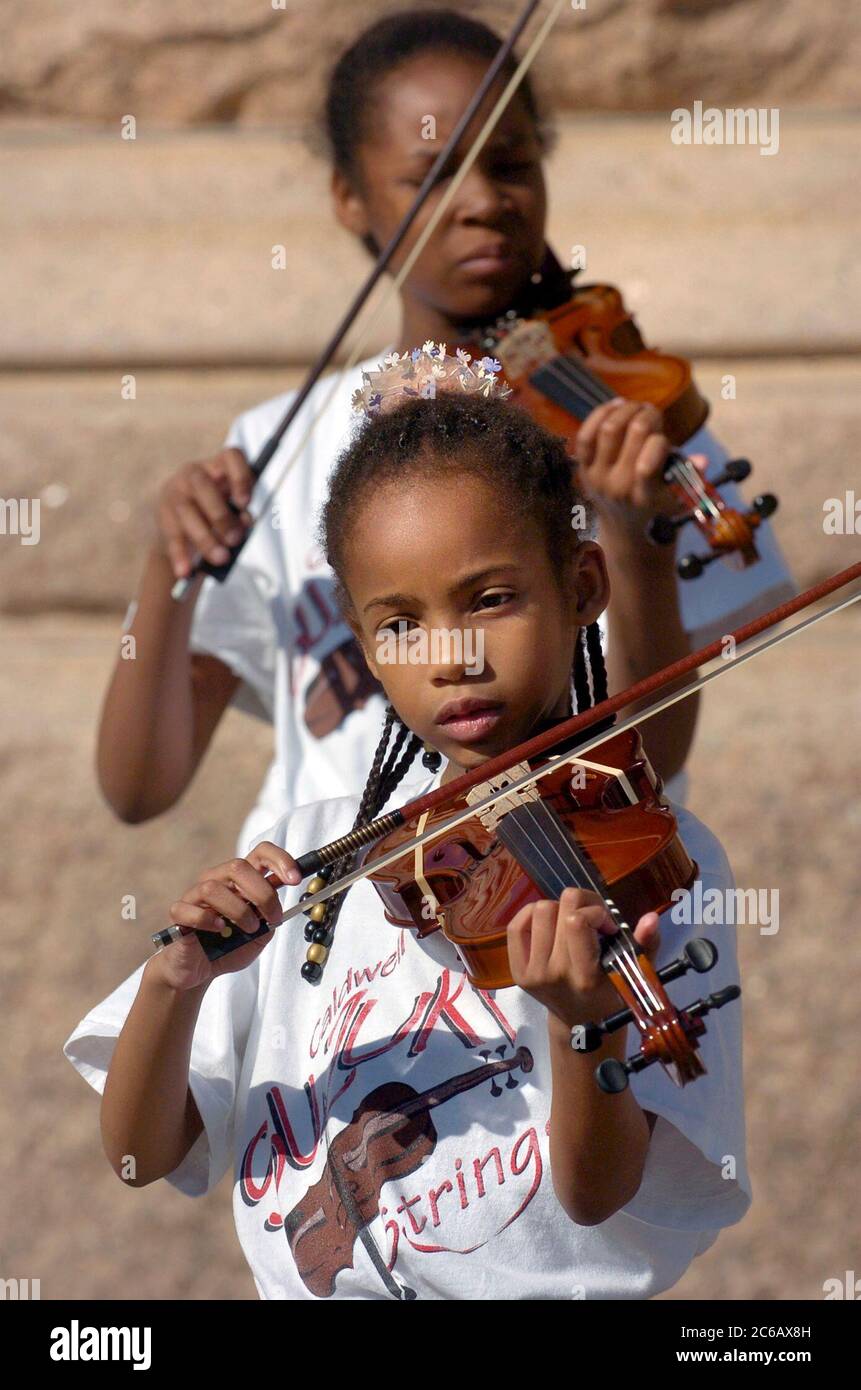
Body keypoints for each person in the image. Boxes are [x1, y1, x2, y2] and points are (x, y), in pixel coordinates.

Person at [65, 351, 751, 1301]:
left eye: (491, 599)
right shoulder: (321, 859)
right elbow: (141, 1160)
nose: (452, 655)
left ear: (583, 586)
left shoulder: (658, 864)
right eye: (399, 625)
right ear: (359, 639)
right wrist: (174, 980)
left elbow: (596, 1199)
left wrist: (586, 1028)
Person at [95, 7, 792, 857]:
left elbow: (652, 752)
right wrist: (169, 569)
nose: (484, 203)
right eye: (434, 175)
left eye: (511, 165)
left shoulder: (626, 426)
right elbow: (138, 787)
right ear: (349, 196)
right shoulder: (275, 445)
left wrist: (635, 537)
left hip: (555, 898)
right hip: (331, 918)